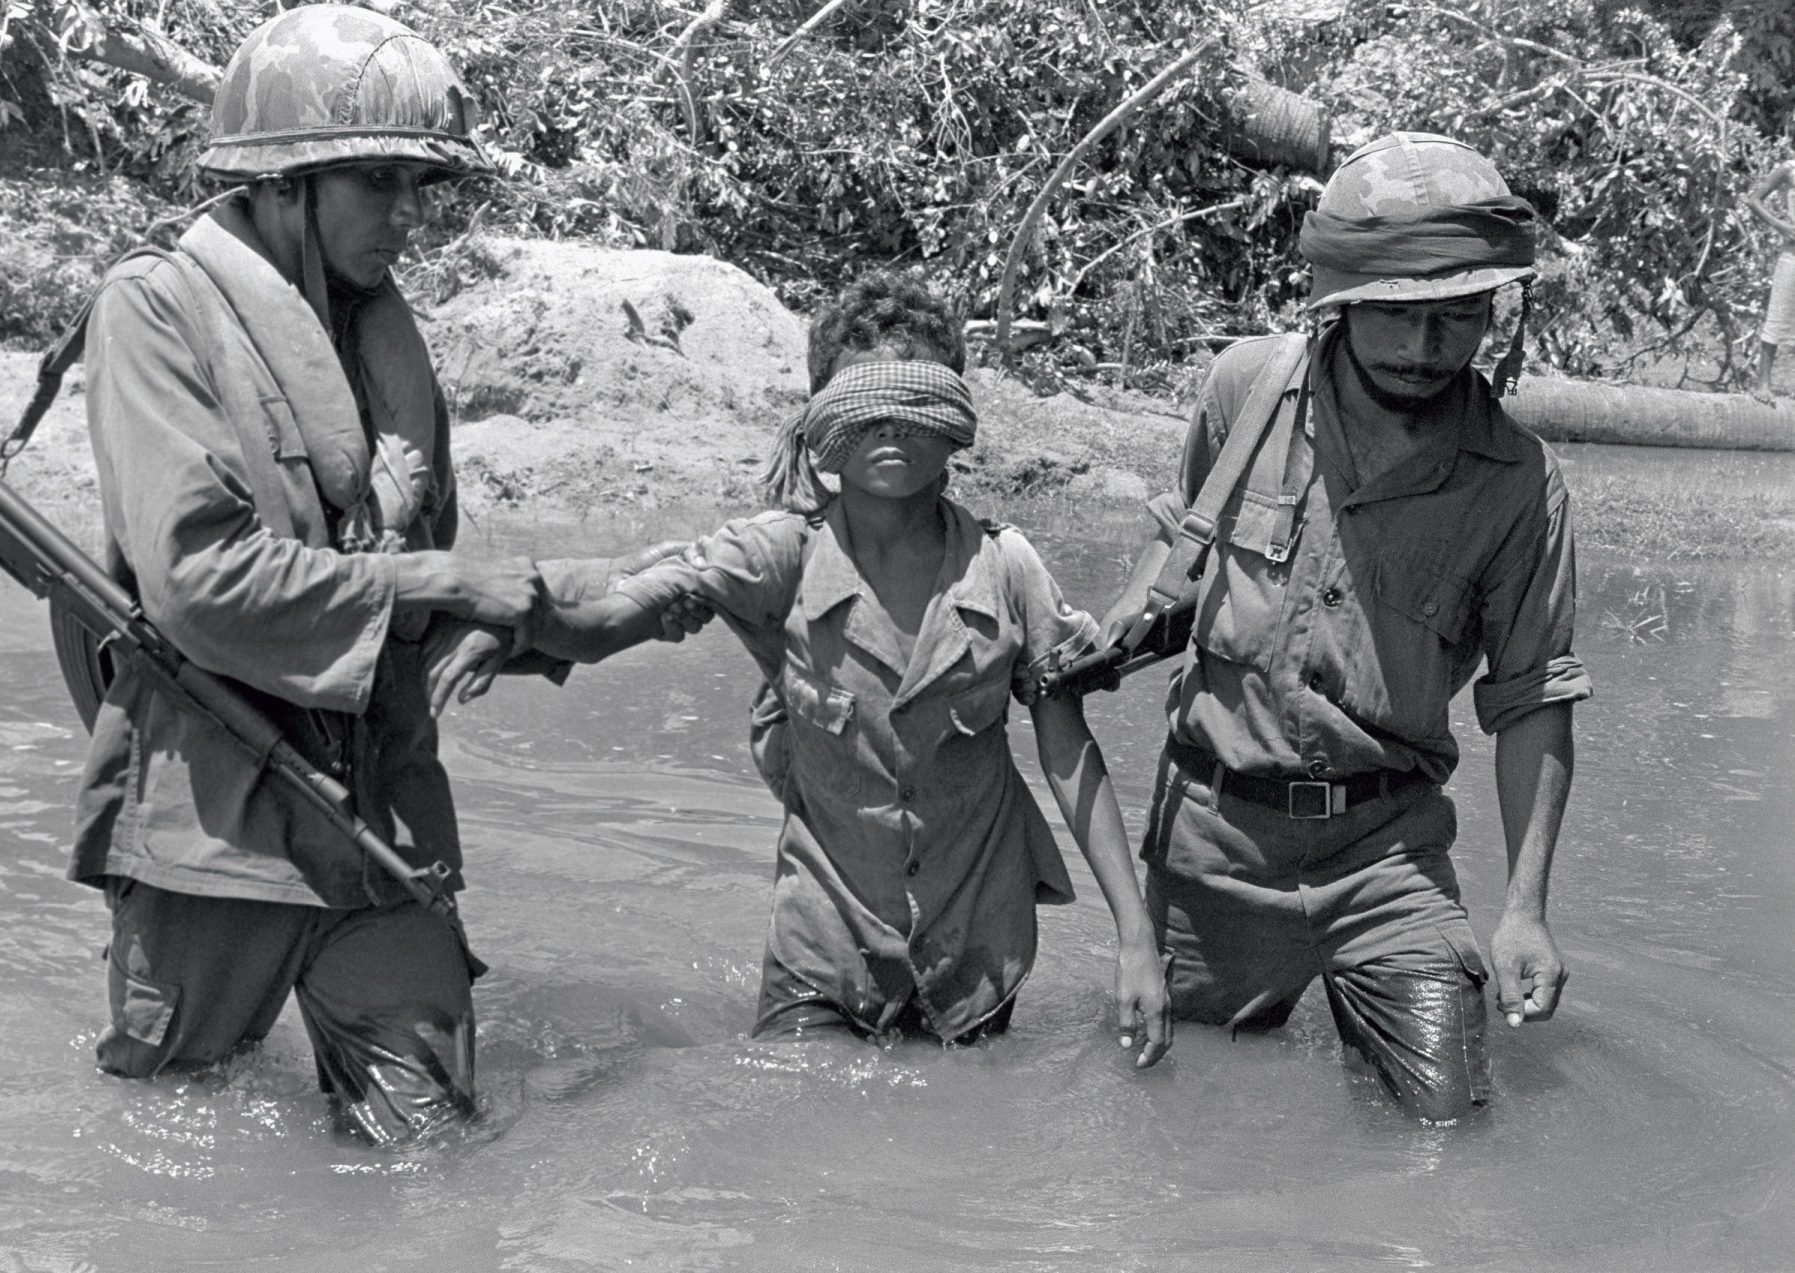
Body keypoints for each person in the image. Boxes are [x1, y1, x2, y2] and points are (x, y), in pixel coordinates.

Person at [68, 5, 694, 1143]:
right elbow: (198, 579)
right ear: (281, 184)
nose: (410, 216)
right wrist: (446, 587)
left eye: (423, 187)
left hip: (381, 819)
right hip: (218, 831)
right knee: (173, 1147)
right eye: (377, 182)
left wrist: (562, 615)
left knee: (435, 1160)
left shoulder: (381, 342)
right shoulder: (155, 312)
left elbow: (438, 574)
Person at [483, 274, 1169, 1056]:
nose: (888, 428)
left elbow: (1067, 749)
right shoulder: (782, 556)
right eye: (861, 405)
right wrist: (493, 623)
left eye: (911, 403)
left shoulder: (1005, 568)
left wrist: (1134, 935)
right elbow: (609, 621)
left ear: (954, 419)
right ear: (820, 420)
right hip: (822, 947)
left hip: (975, 951)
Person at [1099, 133, 1593, 1120]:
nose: (1427, 348)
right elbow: (1189, 551)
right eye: (1399, 317)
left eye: (1460, 317)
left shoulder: (1522, 486)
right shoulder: (1245, 389)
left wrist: (1527, 909)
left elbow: (1534, 699)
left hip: (1388, 851)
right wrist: (1112, 631)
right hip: (1213, 842)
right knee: (1181, 1120)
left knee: (1451, 1126)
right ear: (1340, 300)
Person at [1744, 156, 1795, 403]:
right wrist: (1780, 225)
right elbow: (1753, 199)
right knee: (1777, 316)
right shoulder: (1789, 168)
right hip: (1792, 255)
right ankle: (1763, 384)